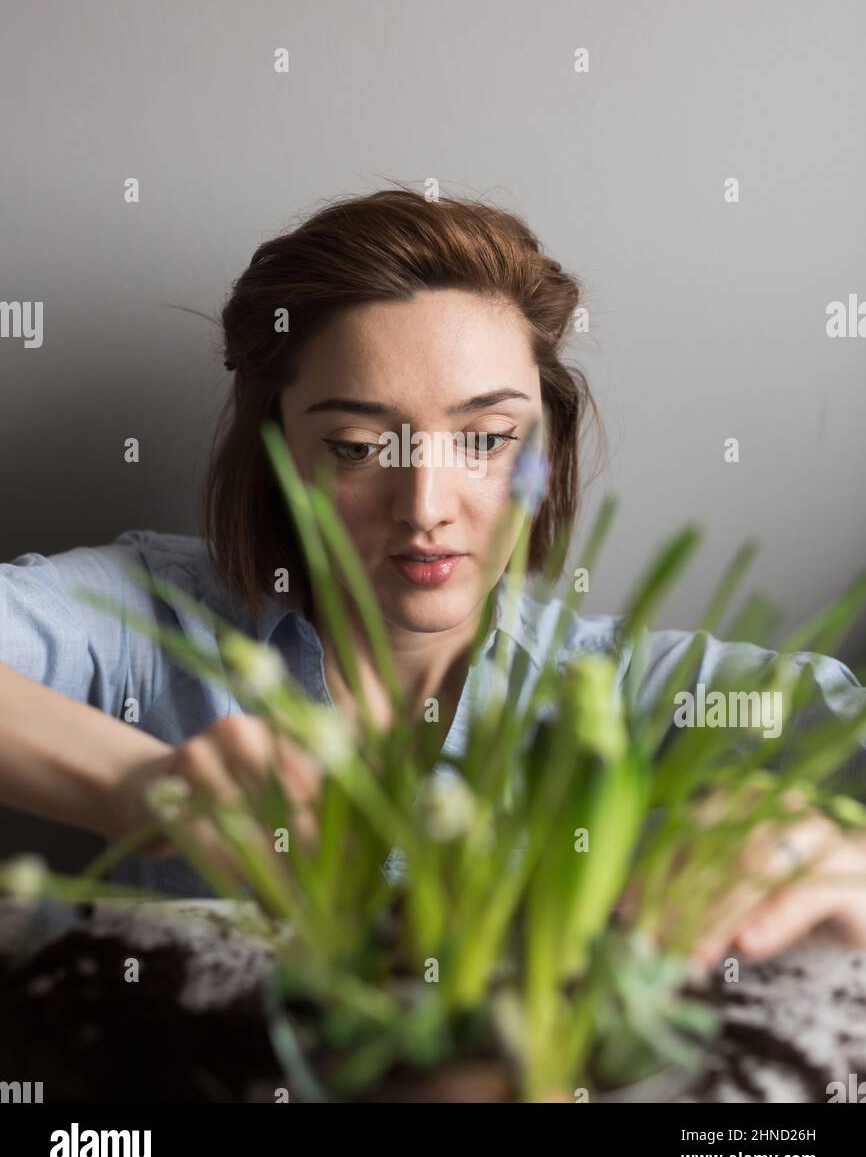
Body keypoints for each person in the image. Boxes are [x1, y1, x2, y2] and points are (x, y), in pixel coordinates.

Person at [1, 186, 865, 970]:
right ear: (278, 457)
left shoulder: (632, 691)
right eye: (357, 447)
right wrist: (141, 786)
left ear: (547, 447)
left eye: (486, 439)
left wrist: (831, 842)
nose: (424, 508)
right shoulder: (150, 618)